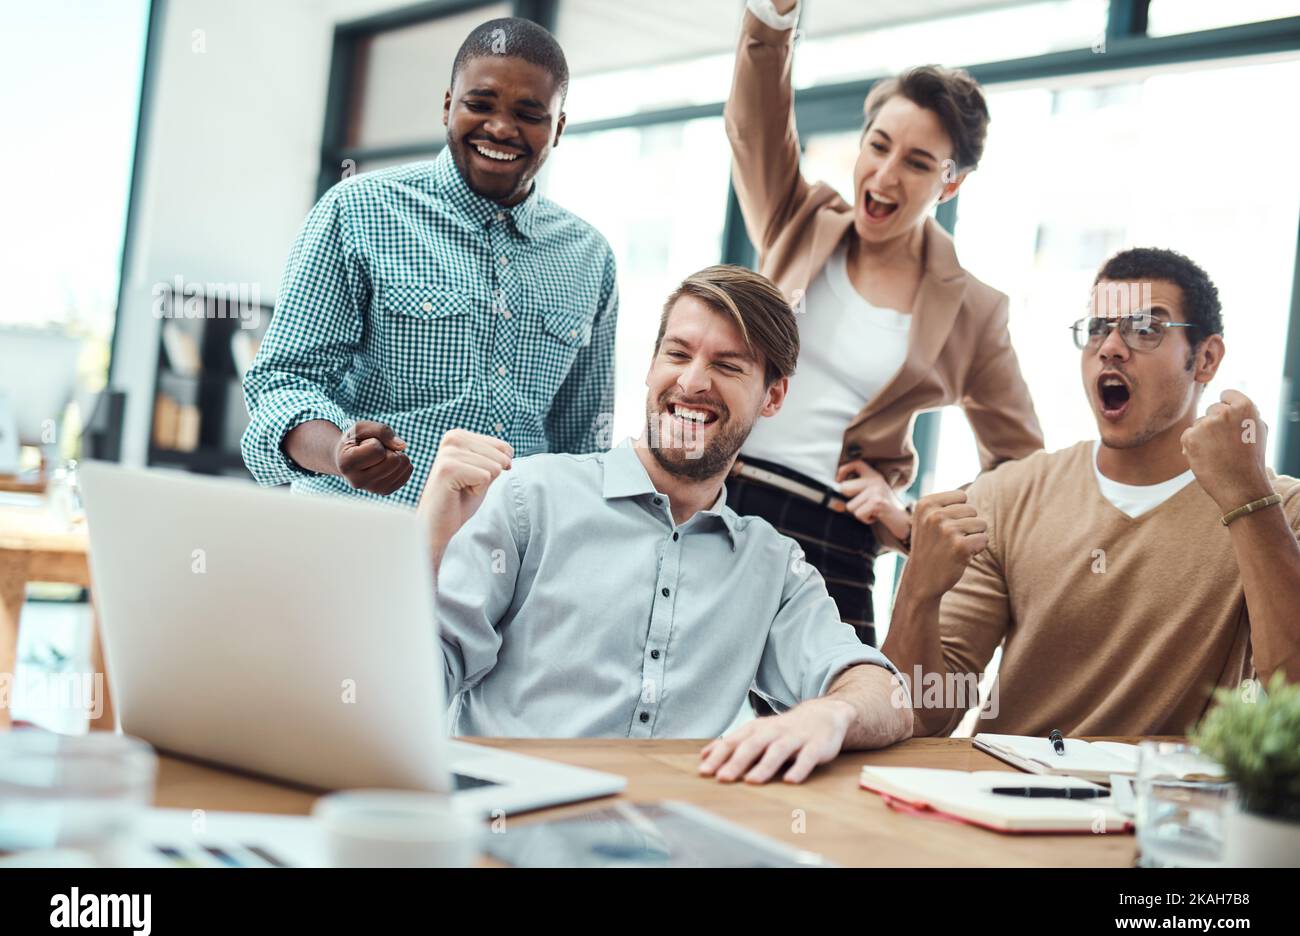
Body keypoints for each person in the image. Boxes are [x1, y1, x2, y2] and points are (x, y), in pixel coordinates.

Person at [419, 265, 912, 784]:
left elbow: (890, 694)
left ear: (773, 397)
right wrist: (427, 540)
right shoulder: (529, 497)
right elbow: (415, 682)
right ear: (652, 364)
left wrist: (830, 713)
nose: (693, 381)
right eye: (677, 354)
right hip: (503, 827)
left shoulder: (773, 567)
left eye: (728, 365)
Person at [723, 0, 1042, 649]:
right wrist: (775, 19)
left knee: (829, 727)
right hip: (722, 499)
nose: (886, 174)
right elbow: (754, 125)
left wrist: (915, 520)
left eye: (919, 163)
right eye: (879, 146)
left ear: (949, 185)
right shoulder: (800, 220)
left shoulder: (974, 310)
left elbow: (1022, 466)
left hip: (832, 535)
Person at [883, 248, 1300, 737]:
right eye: (1099, 328)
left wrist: (1249, 499)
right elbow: (920, 717)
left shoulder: (1277, 510)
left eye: (1145, 328)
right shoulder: (1007, 497)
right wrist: (916, 593)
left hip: (1161, 807)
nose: (1111, 347)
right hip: (1006, 802)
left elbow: (1291, 693)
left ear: (1205, 359)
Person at [241, 17, 616, 504]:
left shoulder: (590, 257)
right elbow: (283, 383)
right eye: (479, 105)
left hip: (511, 563)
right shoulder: (357, 210)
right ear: (447, 107)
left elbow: (583, 441)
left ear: (558, 127)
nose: (501, 128)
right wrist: (340, 452)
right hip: (362, 540)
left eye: (530, 113)